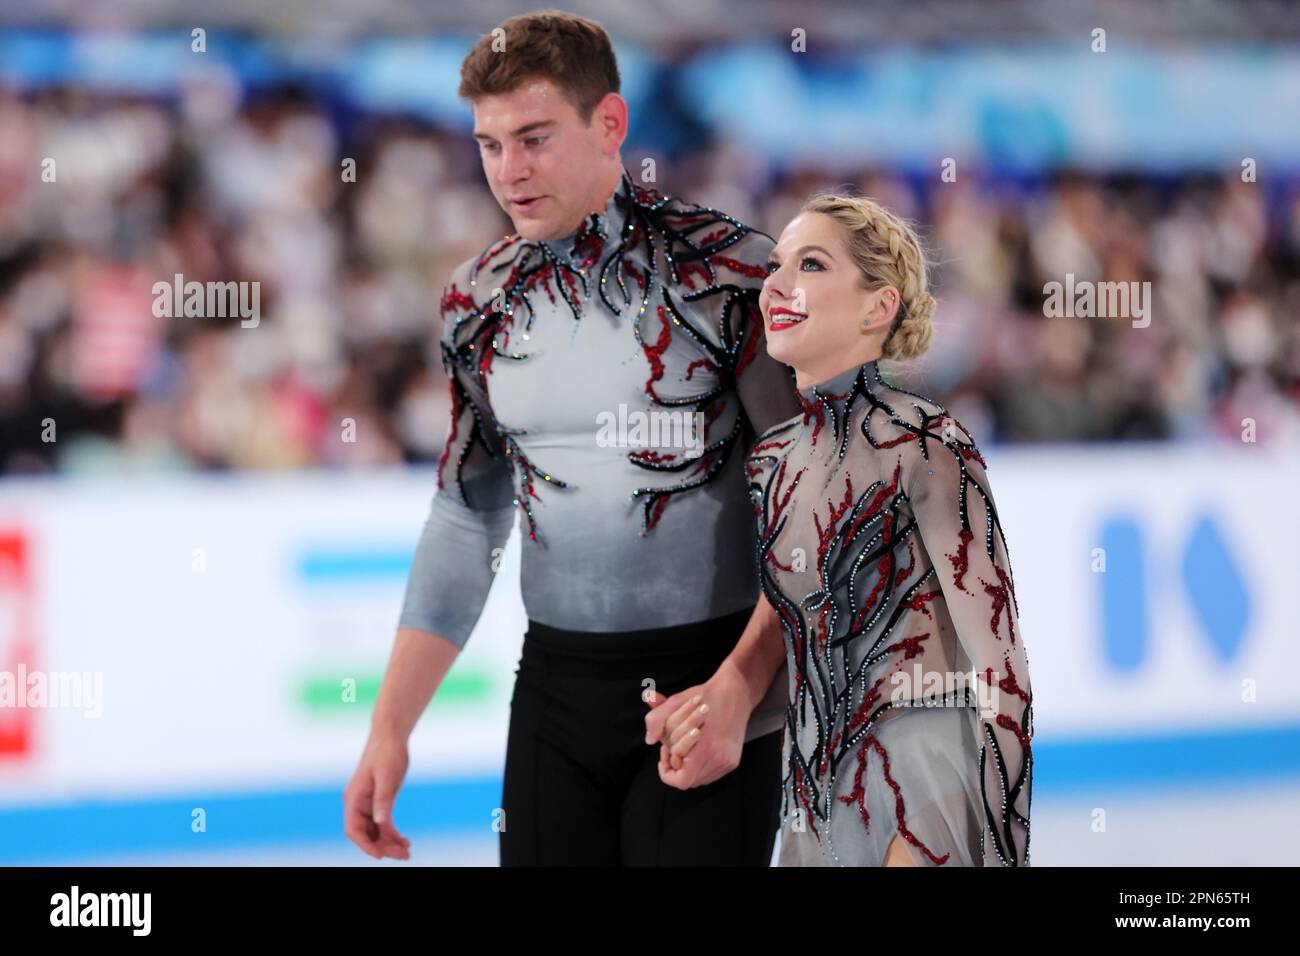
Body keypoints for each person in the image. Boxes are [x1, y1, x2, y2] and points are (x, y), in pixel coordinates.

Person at [343, 10, 799, 866]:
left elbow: (811, 512)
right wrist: (389, 728)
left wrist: (741, 692)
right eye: (489, 145)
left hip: (709, 683)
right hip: (554, 696)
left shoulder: (730, 277)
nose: (509, 173)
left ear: (611, 124)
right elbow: (467, 517)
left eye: (535, 138)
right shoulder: (476, 302)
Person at [654, 193, 1035, 866]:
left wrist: (1006, 842)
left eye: (811, 264)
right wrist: (721, 706)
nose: (776, 284)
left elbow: (1001, 666)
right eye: (775, 265)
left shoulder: (927, 446)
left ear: (877, 306)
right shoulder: (771, 463)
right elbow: (801, 631)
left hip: (923, 780)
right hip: (810, 792)